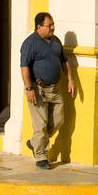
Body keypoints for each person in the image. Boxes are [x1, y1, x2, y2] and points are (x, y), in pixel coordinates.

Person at [20, 12, 75, 169]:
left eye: (53, 24)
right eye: (49, 25)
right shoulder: (30, 43)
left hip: (54, 89)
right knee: (41, 123)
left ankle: (35, 142)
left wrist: (70, 80)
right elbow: (24, 68)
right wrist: (29, 88)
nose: (53, 27)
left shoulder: (55, 41)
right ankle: (41, 157)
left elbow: (64, 61)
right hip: (38, 89)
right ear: (39, 27)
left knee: (58, 119)